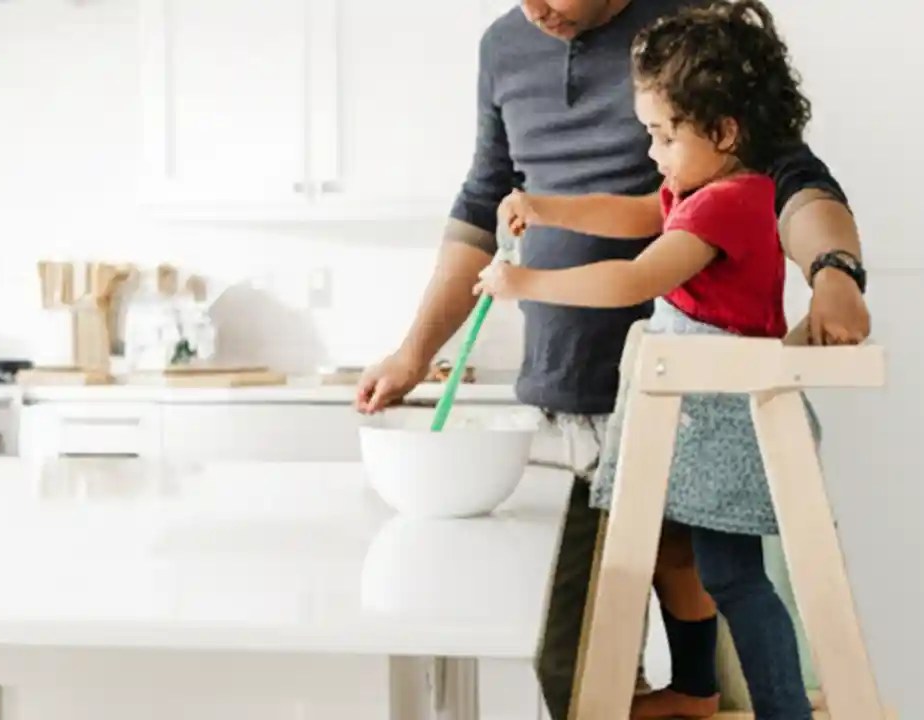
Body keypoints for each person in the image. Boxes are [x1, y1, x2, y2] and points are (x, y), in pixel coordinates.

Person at [355, 0, 870, 717]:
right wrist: (420, 347)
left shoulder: (696, 53)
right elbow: (586, 205)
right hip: (581, 402)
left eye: (660, 136)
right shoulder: (507, 47)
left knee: (721, 594)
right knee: (586, 657)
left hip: (696, 415)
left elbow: (779, 188)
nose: (532, 8)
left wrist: (835, 272)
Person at [475, 1, 826, 717]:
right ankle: (705, 693)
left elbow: (634, 277)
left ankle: (782, 708)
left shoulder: (733, 201)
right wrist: (546, 207)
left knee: (733, 581)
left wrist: (525, 282)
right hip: (692, 414)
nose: (654, 154)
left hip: (721, 420)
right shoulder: (699, 189)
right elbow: (636, 214)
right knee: (702, 569)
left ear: (724, 131)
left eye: (664, 137)